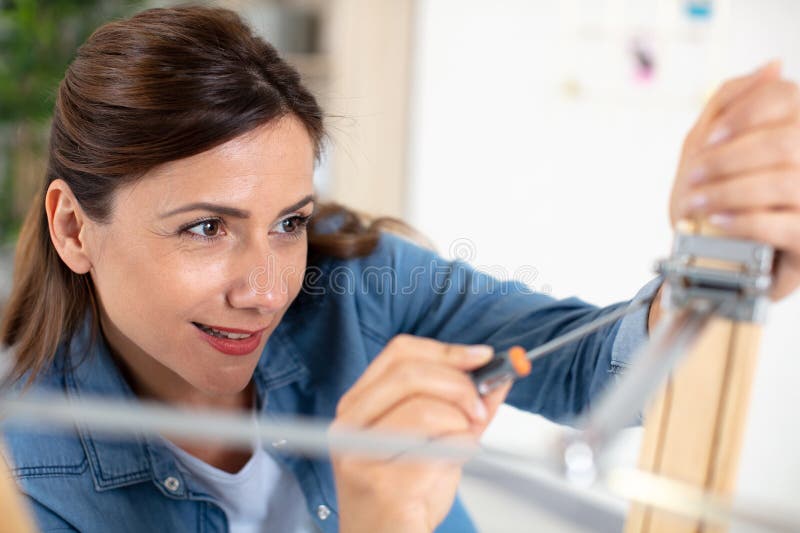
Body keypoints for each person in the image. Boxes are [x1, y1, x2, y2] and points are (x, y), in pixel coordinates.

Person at [1, 5, 799, 533]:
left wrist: (721, 254)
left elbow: (591, 367)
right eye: (206, 227)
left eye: (289, 223)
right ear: (75, 228)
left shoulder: (360, 287)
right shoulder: (25, 478)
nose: (268, 289)